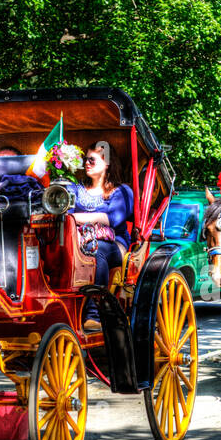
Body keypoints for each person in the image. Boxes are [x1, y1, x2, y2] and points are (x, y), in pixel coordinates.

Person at [70, 141, 133, 332]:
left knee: (97, 251)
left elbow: (112, 219)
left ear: (107, 163)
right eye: (85, 160)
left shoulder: (121, 191)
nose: (86, 163)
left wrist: (75, 217)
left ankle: (93, 313)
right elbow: (63, 212)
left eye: (92, 159)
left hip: (113, 243)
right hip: (77, 240)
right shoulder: (75, 189)